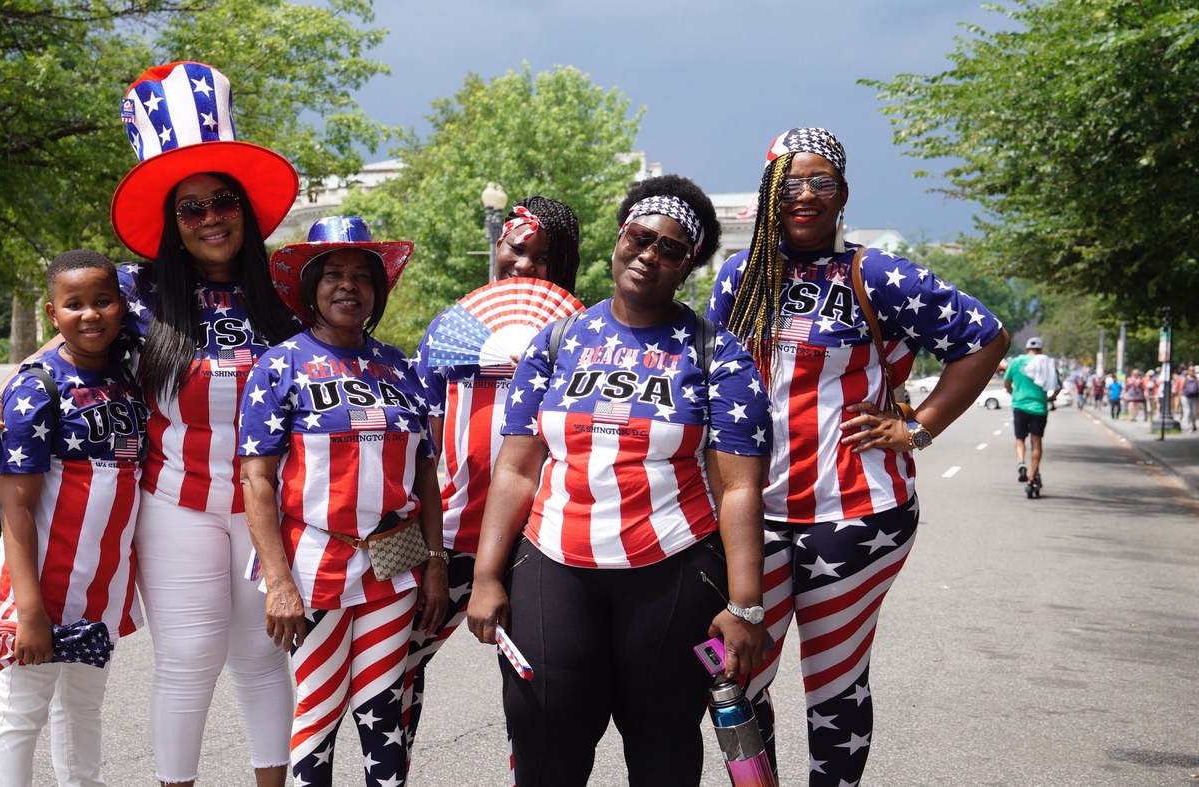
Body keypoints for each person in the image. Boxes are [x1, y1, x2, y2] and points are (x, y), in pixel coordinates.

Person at [0, 62, 300, 787]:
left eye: (223, 201)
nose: (211, 217)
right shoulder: (137, 298)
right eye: (191, 208)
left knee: (262, 655)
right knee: (187, 661)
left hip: (265, 510)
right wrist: (5, 391)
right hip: (174, 504)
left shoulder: (285, 293)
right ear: (172, 225)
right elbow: (69, 336)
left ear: (243, 209)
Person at [704, 128, 1008, 786]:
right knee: (728, 677)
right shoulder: (738, 276)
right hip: (752, 511)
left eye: (821, 181)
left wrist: (919, 428)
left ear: (842, 192)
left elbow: (984, 336)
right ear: (768, 194)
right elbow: (709, 385)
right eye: (790, 182)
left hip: (858, 514)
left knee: (834, 686)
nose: (804, 194)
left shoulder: (873, 273)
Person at [467, 174, 774, 787]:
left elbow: (740, 490)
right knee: (544, 745)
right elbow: (516, 468)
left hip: (672, 572)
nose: (649, 255)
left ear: (688, 264)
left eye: (670, 248)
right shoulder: (557, 341)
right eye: (639, 237)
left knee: (662, 751)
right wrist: (484, 577)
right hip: (554, 564)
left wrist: (745, 605)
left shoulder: (718, 353)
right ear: (618, 239)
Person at [238, 216, 449, 787]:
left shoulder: (400, 367)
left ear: (378, 291)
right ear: (311, 288)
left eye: (362, 276)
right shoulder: (279, 366)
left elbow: (425, 472)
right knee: (319, 712)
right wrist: (280, 584)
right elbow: (256, 480)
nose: (348, 287)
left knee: (385, 710)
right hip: (313, 564)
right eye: (333, 275)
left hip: (394, 561)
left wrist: (435, 563)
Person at [405, 195, 583, 751]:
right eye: (514, 247)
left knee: (534, 690)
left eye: (542, 257)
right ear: (496, 245)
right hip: (453, 532)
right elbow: (420, 440)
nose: (524, 264)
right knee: (398, 674)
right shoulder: (447, 330)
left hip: (541, 539)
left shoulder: (583, 332)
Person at [0, 250, 145, 786]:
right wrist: (28, 610)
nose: (90, 314)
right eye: (74, 305)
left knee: (82, 707)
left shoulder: (128, 383)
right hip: (40, 583)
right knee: (20, 710)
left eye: (103, 302)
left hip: (100, 584)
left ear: (122, 307)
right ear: (53, 316)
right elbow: (16, 505)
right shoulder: (38, 387)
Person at [1003, 337, 1057, 489]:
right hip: (1039, 407)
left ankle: (1021, 461)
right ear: (1040, 350)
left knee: (1020, 438)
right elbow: (1057, 385)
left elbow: (1007, 384)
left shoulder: (1015, 362)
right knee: (1036, 443)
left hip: (1020, 406)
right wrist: (1051, 397)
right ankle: (1032, 477)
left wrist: (1015, 394)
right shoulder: (1047, 363)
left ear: (1027, 349)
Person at [1181, 366, 1198, 433]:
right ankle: (1189, 427)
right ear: (1188, 371)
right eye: (1190, 370)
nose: (1192, 371)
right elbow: (1181, 389)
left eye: (1193, 370)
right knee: (1187, 412)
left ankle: (1193, 423)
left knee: (1194, 413)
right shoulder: (1184, 379)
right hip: (1186, 397)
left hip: (1195, 397)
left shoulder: (1196, 379)